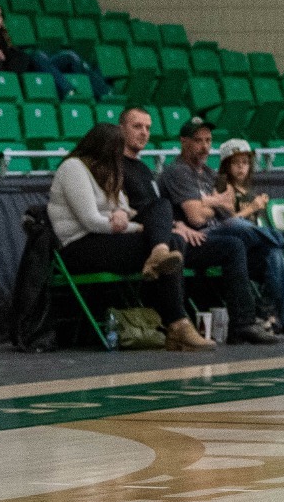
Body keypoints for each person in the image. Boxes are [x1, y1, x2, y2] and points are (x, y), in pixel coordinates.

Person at [117, 106, 275, 346]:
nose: (144, 133)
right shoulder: (121, 167)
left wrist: (178, 221)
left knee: (236, 245)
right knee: (233, 234)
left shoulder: (144, 169)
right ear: (121, 130)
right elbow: (132, 211)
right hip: (148, 238)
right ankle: (179, 323)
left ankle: (243, 324)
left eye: (148, 128)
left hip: (176, 234)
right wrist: (181, 222)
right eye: (137, 127)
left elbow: (223, 208)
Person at [48, 123, 208, 352]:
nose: (119, 155)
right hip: (78, 246)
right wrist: (133, 227)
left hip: (108, 238)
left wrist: (128, 219)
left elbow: (126, 210)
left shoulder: (107, 171)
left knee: (162, 208)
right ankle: (177, 324)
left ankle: (173, 312)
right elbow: (90, 220)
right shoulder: (73, 168)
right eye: (116, 149)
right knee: (173, 240)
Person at [160, 122, 284, 341]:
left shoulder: (211, 175)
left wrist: (208, 203)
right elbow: (196, 217)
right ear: (183, 142)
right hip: (195, 239)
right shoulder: (177, 172)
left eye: (208, 140)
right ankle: (281, 237)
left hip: (222, 234)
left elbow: (228, 211)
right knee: (241, 229)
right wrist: (214, 203)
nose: (204, 146)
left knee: (271, 253)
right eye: (198, 140)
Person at [0, 2, 113, 101]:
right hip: (25, 71)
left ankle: (102, 93)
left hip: (33, 64)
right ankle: (68, 90)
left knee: (70, 56)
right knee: (37, 55)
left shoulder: (4, 38)